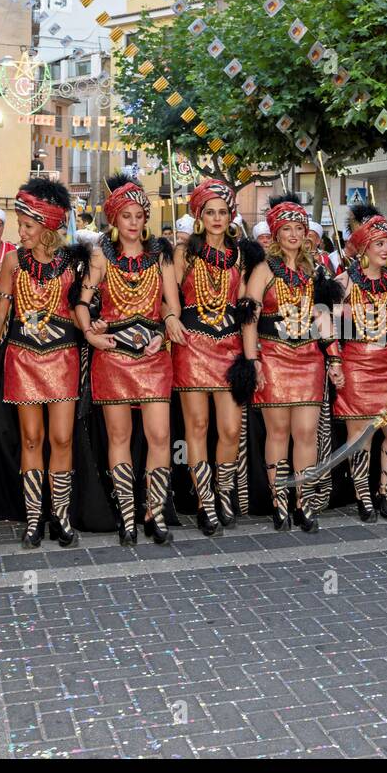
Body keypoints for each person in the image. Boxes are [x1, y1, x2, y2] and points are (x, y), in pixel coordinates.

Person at [74, 173, 185, 546]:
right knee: (119, 436)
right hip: (114, 357)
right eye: (127, 216)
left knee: (159, 435)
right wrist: (92, 334)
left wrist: (168, 323)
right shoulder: (99, 255)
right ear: (114, 219)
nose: (134, 222)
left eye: (139, 215)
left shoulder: (161, 254)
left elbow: (173, 301)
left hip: (153, 355)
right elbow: (81, 302)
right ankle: (126, 516)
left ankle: (154, 511)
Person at [0, 178, 81, 548]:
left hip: (64, 357)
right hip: (23, 357)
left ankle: (61, 518)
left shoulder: (73, 261)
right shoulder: (13, 261)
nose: (22, 231)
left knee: (61, 438)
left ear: (49, 225)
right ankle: (35, 518)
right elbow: (0, 309)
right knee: (31, 439)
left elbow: (83, 308)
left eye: (28, 226)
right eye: (21, 225)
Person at [240, 194, 341, 532]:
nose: (295, 234)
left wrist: (334, 357)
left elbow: (324, 317)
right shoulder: (263, 268)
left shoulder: (316, 271)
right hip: (274, 357)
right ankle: (279, 501)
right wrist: (252, 361)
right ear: (276, 233)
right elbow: (249, 318)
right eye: (287, 228)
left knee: (307, 432)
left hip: (309, 358)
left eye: (300, 228)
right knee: (278, 432)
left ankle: (305, 502)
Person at [170, 179, 253, 536]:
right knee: (198, 428)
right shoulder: (184, 252)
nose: (217, 218)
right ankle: (205, 503)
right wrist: (170, 318)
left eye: (223, 212)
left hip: (230, 347)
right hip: (192, 346)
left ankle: (224, 493)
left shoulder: (243, 254)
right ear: (199, 215)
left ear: (231, 215)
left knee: (231, 429)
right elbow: (167, 296)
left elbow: (247, 307)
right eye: (210, 212)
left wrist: (252, 356)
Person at [334, 214, 387, 524]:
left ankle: (386, 492)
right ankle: (363, 495)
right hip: (357, 361)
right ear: (365, 247)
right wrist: (335, 362)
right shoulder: (343, 282)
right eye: (380, 244)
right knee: (361, 434)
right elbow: (326, 327)